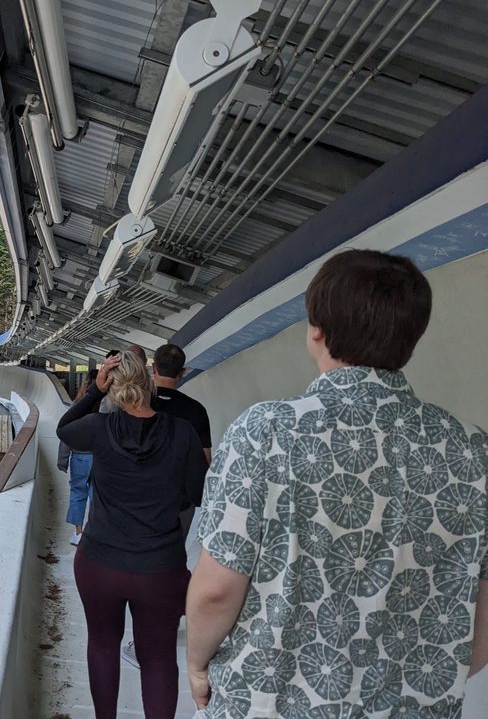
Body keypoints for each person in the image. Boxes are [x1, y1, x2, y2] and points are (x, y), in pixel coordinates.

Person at [186, 249, 488, 717]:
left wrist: (197, 663)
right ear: (413, 337)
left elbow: (216, 590)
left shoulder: (265, 432)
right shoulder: (473, 450)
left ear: (316, 331)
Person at [58, 350, 208, 719]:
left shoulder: (99, 429)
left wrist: (94, 392)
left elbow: (65, 429)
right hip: (159, 567)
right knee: (157, 658)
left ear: (115, 389)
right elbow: (198, 494)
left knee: (103, 645)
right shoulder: (183, 433)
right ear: (150, 383)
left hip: (99, 562)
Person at [123, 342, 213, 668]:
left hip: (140, 500)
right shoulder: (196, 411)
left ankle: (143, 639)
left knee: (140, 567)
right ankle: (170, 619)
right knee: (170, 565)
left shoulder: (140, 403)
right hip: (180, 502)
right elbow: (205, 462)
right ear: (184, 372)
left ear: (152, 369)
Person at [58, 369, 99, 545]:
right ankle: (94, 531)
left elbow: (66, 435)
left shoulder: (77, 406)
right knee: (96, 495)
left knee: (77, 492)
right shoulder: (108, 405)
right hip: (100, 458)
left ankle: (78, 532)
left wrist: (63, 460)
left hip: (80, 457)